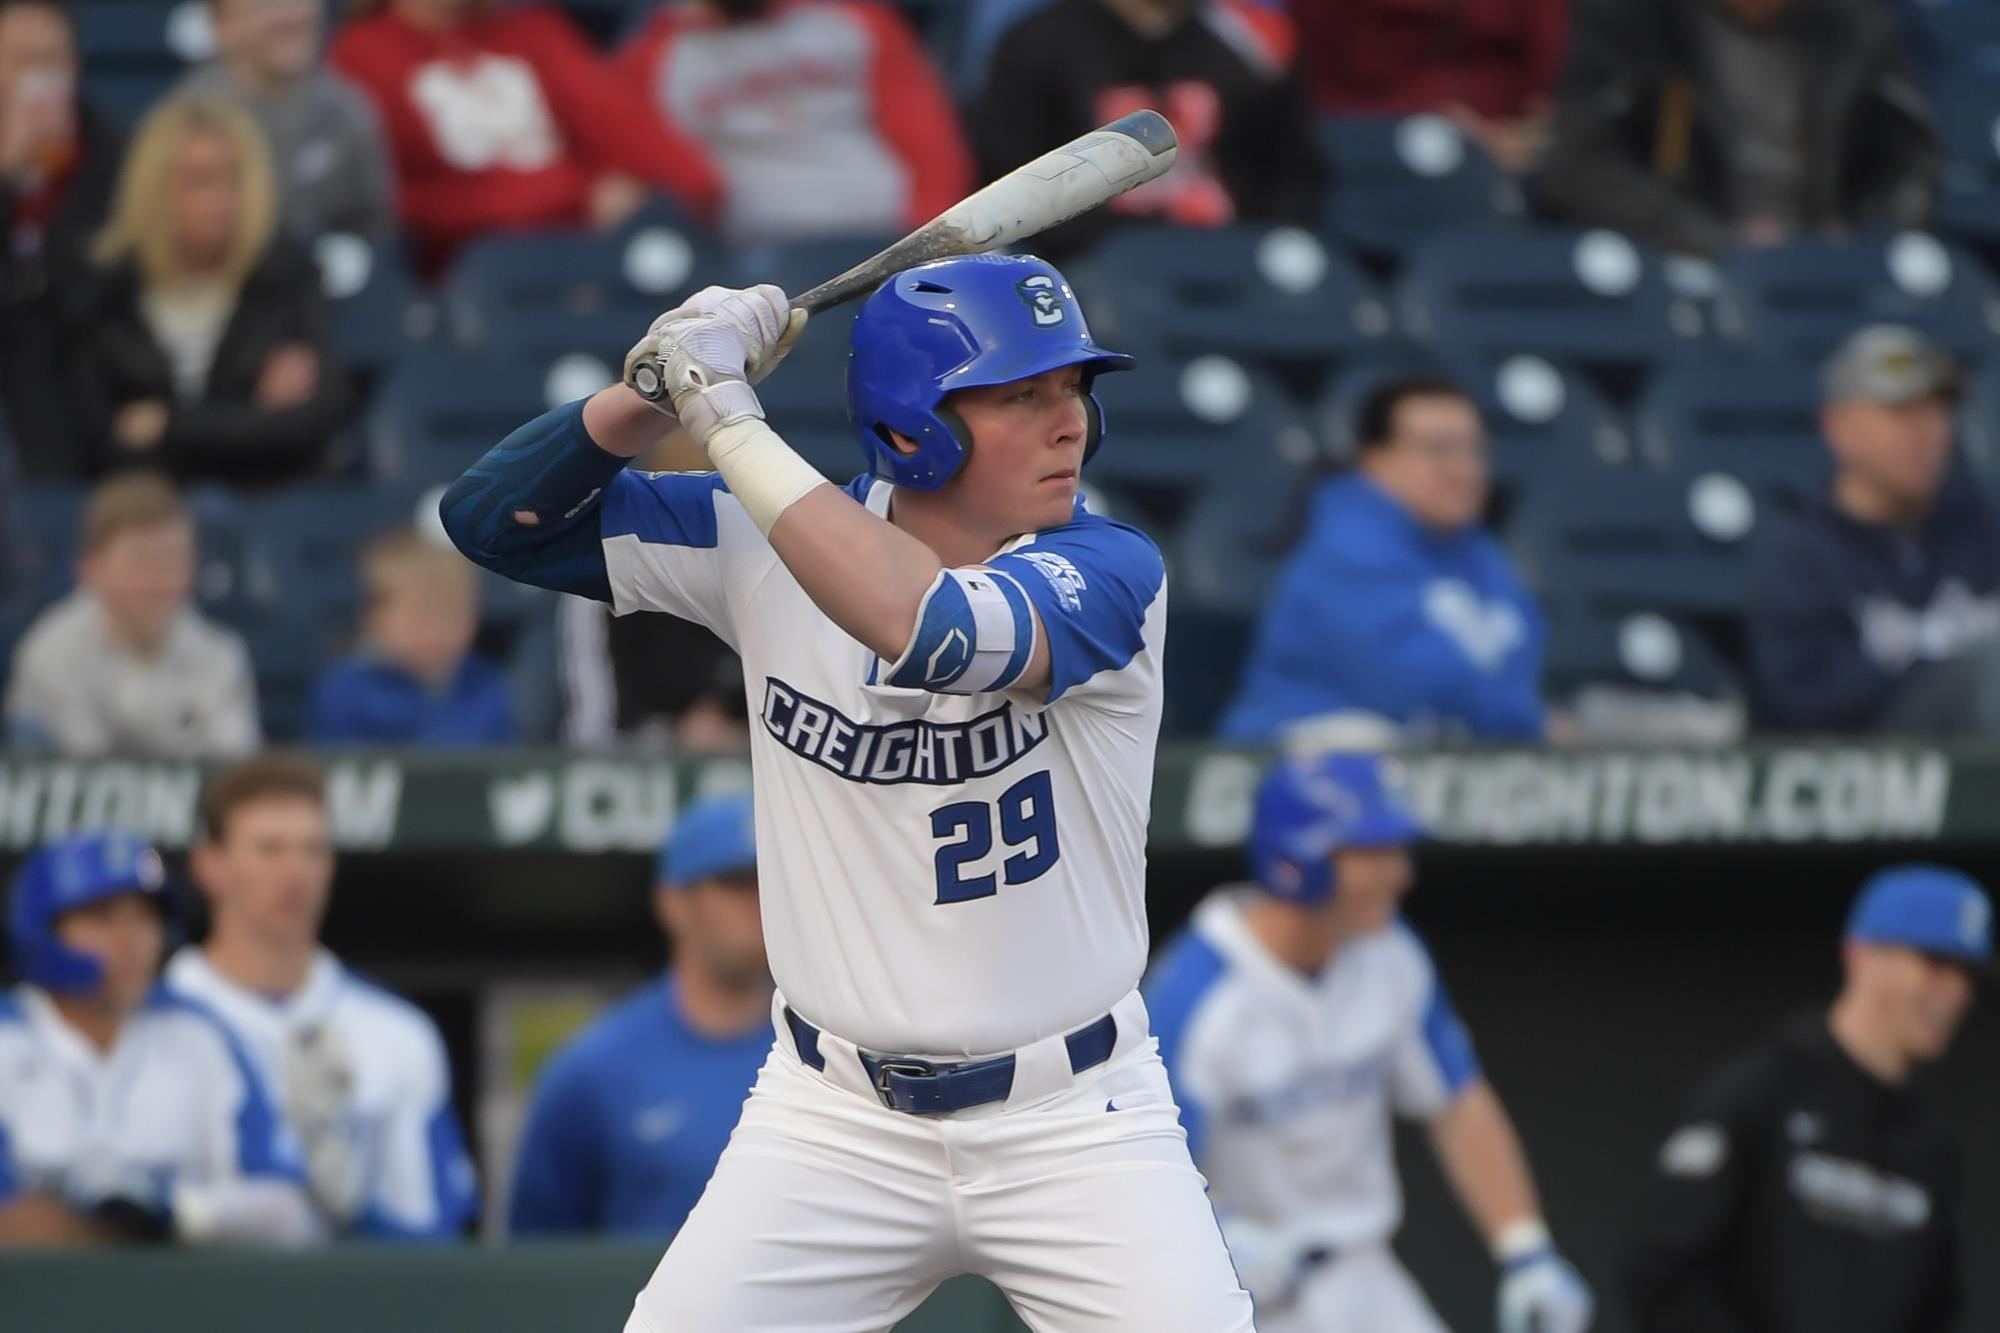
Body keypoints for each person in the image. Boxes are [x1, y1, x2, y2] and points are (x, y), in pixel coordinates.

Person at [441, 259, 1255, 1329]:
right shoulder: (755, 539)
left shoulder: (1107, 569)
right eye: (1022, 394)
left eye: (1073, 389)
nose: (1071, 424)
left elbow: (925, 624)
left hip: (1075, 1118)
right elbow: (493, 521)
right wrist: (647, 391)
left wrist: (726, 418)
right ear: (915, 426)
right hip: (832, 1122)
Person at [1145, 751, 1593, 1333]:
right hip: (1233, 1292)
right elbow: (1150, 1164)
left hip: (1361, 1279)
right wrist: (1215, 1232)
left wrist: (1526, 1250)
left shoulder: (1390, 954)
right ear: (1296, 862)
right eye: (1373, 853)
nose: (1399, 874)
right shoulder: (1194, 993)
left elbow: (1457, 1101)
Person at [1624, 863, 1986, 1333]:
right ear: (1861, 954)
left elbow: (1937, 1312)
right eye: (1935, 963)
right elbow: (1659, 1273)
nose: (1955, 993)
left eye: (1968, 975)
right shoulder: (1759, 1092)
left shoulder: (1931, 1148)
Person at [164, 755, 481, 1239]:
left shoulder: (399, 1033)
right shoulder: (153, 1020)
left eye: (313, 851)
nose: (296, 872)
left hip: (361, 1309)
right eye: (270, 849)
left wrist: (350, 1209)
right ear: (210, 866)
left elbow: (435, 1234)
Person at [0, 830, 317, 1247]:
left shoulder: (201, 1034)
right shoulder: (9, 1037)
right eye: (103, 917)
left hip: (179, 1302)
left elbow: (290, 1210)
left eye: (145, 917)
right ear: (44, 929)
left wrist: (176, 1215)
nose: (130, 940)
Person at [1220, 374, 1545, 744]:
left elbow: (1523, 656)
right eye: (1438, 449)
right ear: (1374, 459)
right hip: (1291, 765)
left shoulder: (1479, 552)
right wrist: (1526, 719)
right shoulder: (1344, 547)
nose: (1463, 470)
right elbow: (1417, 683)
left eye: (1472, 449)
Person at [509, 792, 772, 1236]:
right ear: (674, 903)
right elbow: (537, 1254)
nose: (759, 903)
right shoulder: (596, 1068)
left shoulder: (836, 1052)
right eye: (736, 882)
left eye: (771, 881)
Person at [70, 94, 350, 484]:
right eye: (199, 181)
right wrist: (251, 417)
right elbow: (98, 437)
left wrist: (169, 425)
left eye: (233, 180)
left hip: (265, 503)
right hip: (142, 510)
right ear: (154, 188)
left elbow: (313, 419)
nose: (221, 202)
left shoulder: (287, 278)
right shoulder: (106, 291)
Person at [330, 0, 723, 275]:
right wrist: (579, 194)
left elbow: (644, 142)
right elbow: (401, 203)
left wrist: (664, 193)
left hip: (592, 258)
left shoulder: (535, 32)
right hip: (472, 279)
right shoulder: (361, 54)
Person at [1747, 326, 2000, 734]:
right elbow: (1809, 700)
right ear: (1839, 428)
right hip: (1868, 769)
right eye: (1901, 411)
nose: (1926, 431)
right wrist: (1943, 670)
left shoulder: (1981, 524)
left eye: (1937, 409)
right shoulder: (1799, 548)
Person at [1538, 0, 1939, 257]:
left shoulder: (1856, 26)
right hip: (1684, 260)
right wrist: (1715, 238)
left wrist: (1859, 239)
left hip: (1832, 263)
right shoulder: (1636, 24)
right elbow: (1580, 166)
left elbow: (1909, 160)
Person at [971, 0, 1325, 256]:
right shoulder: (1039, 43)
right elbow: (1009, 183)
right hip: (1092, 262)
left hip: (1232, 254)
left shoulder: (1255, 45)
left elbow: (1294, 177)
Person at [616, 0, 972, 249]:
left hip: (890, 229)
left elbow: (929, 142)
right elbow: (679, 175)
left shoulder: (854, 22)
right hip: (755, 253)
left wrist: (929, 238)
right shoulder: (652, 61)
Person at [4, 471, 260, 756]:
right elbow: (82, 780)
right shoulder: (50, 653)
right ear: (89, 567)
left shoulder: (221, 653)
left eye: (173, 559)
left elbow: (234, 772)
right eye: (142, 561)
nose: (160, 580)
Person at [0, 0, 121, 477]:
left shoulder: (110, 155)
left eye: (51, 60)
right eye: (21, 59)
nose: (39, 78)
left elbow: (100, 289)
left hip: (79, 378)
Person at [175, 0, 397, 243]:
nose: (292, 16)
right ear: (221, 23)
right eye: (267, 5)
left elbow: (376, 233)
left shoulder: (350, 111)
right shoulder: (186, 120)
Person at [1290, 0, 1567, 173]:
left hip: (1503, 153)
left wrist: (1529, 125)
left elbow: (1548, 68)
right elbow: (1313, 70)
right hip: (1366, 145)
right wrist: (1444, 125)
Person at [307, 528, 519, 746]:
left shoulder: (488, 684)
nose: (436, 631)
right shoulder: (344, 692)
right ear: (375, 617)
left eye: (451, 615)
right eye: (420, 617)